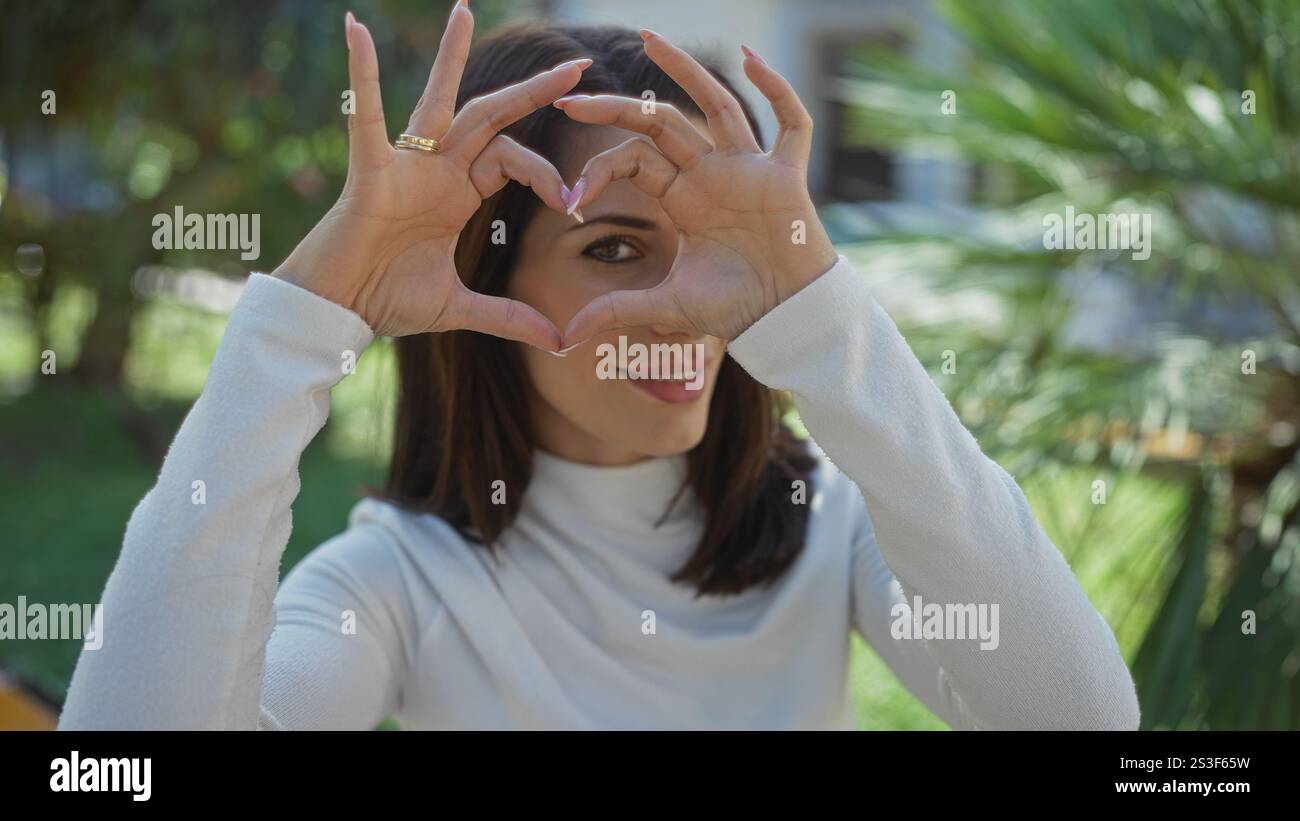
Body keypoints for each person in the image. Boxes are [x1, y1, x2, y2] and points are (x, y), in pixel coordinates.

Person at [58, 2, 1140, 730]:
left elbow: (1081, 721)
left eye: (714, 257)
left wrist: (815, 307)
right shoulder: (392, 582)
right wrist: (300, 324)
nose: (686, 307)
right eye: (613, 247)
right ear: (483, 283)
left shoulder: (833, 530)